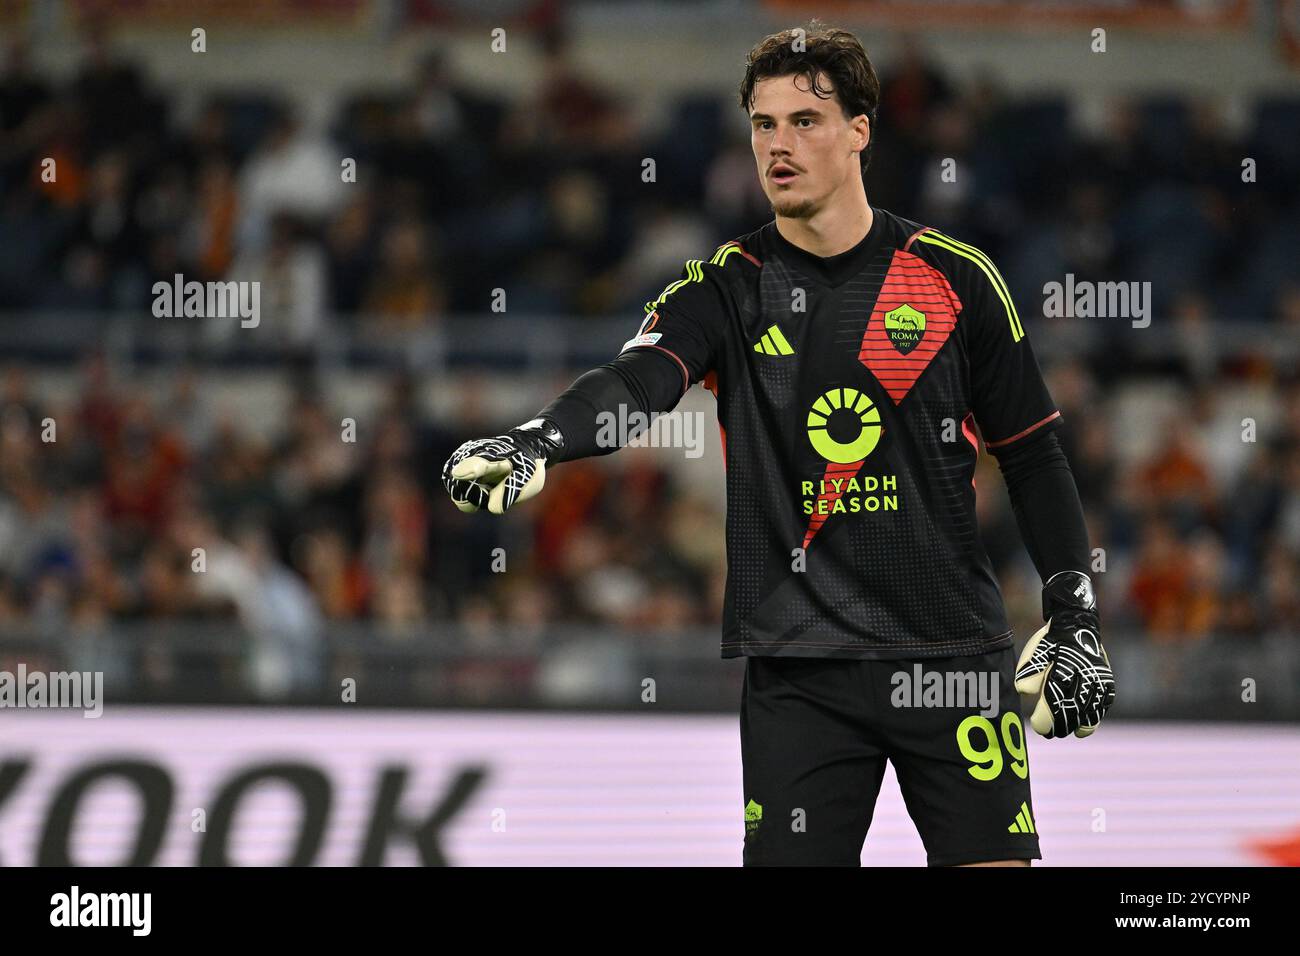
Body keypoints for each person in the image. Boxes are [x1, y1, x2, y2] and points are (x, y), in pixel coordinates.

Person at [441, 22, 1115, 866]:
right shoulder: (725, 286)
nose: (778, 144)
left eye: (805, 120)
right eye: (763, 124)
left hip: (953, 661)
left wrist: (1074, 611)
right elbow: (637, 384)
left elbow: (1033, 453)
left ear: (859, 133)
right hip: (800, 672)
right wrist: (545, 439)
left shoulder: (954, 277)